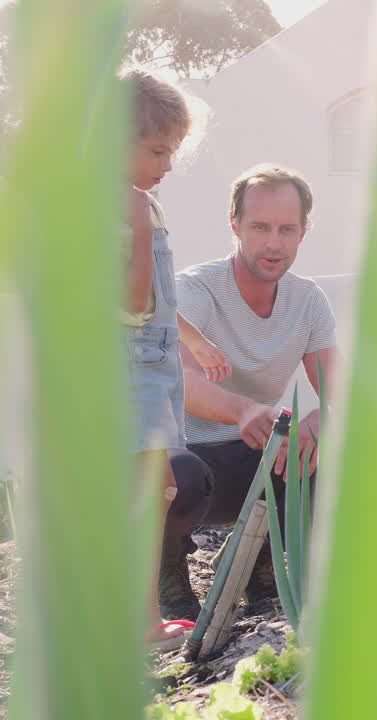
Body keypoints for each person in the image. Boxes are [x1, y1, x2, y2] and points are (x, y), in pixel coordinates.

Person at [158, 165, 338, 620]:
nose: (273, 243)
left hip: (252, 459)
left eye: (286, 229)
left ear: (303, 233)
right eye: (260, 227)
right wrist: (241, 410)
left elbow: (340, 392)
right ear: (234, 224)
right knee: (174, 475)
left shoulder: (307, 301)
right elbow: (175, 379)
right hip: (185, 459)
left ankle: (261, 567)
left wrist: (322, 419)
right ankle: (168, 576)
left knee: (321, 451)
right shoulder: (195, 290)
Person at [120, 69, 231, 645]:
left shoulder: (137, 203)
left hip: (153, 360)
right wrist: (138, 228)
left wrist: (191, 338)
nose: (167, 163)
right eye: (157, 150)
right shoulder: (127, 206)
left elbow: (156, 298)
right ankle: (138, 621)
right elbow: (132, 299)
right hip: (130, 366)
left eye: (174, 151)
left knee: (150, 488)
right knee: (150, 489)